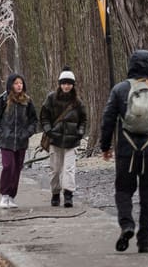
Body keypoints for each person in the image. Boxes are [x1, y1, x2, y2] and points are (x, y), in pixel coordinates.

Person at [100, 49, 148, 254]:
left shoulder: (120, 90)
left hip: (126, 150)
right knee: (147, 197)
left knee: (123, 191)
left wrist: (105, 147)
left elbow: (107, 120)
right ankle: (144, 242)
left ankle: (127, 225)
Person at [40, 68, 88, 207]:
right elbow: (44, 117)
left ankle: (68, 195)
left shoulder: (77, 102)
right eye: (64, 83)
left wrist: (80, 132)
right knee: (55, 169)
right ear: (60, 84)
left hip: (72, 141)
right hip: (55, 140)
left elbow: (83, 119)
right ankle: (55, 193)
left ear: (73, 85)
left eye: (69, 83)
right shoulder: (51, 98)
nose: (66, 86)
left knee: (69, 169)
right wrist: (49, 131)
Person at [0, 72, 37, 209]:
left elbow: (34, 120)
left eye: (21, 83)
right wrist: (0, 134)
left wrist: (28, 133)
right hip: (6, 141)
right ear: (11, 85)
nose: (19, 85)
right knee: (8, 166)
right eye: (16, 83)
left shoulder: (27, 101)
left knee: (17, 169)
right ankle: (4, 195)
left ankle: (12, 196)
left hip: (21, 141)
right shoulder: (3, 100)